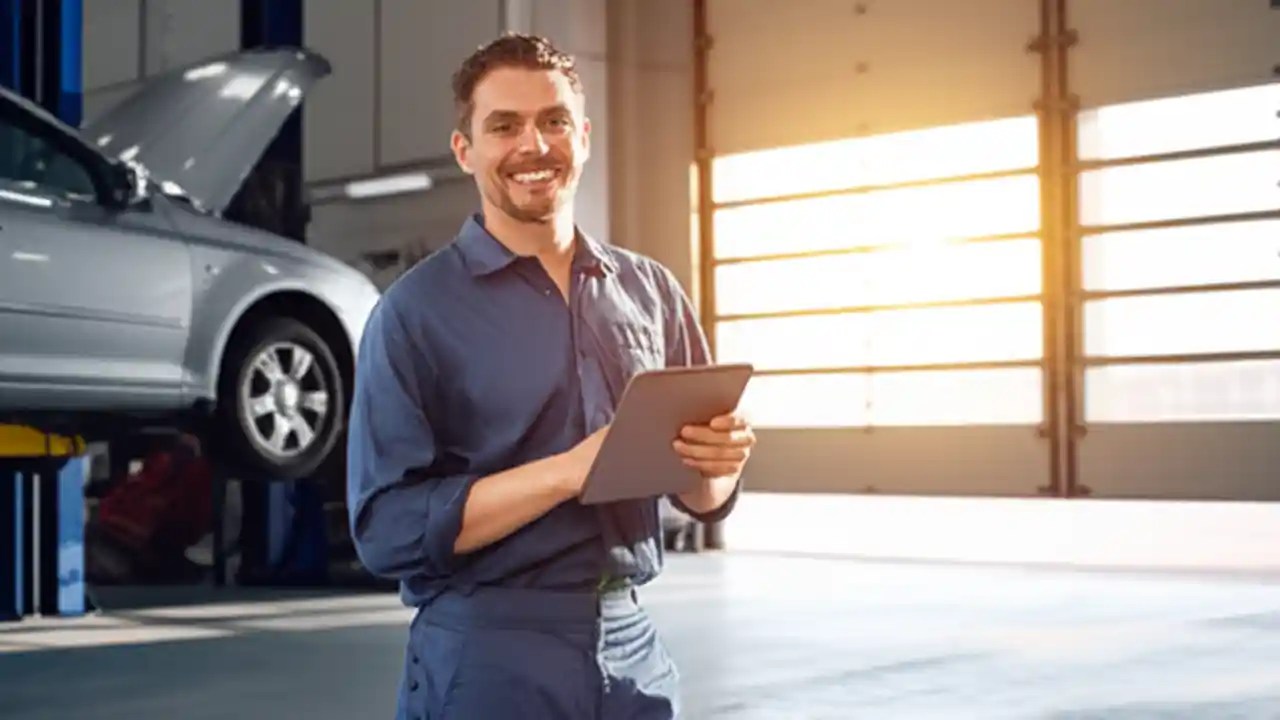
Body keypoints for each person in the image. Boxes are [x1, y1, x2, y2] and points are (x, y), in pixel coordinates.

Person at [346, 33, 755, 719]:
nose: (534, 145)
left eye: (554, 121)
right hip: (488, 652)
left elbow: (703, 496)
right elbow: (386, 528)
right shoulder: (412, 314)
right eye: (504, 126)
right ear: (465, 150)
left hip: (633, 645)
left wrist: (721, 464)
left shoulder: (650, 290)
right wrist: (570, 472)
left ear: (584, 135)